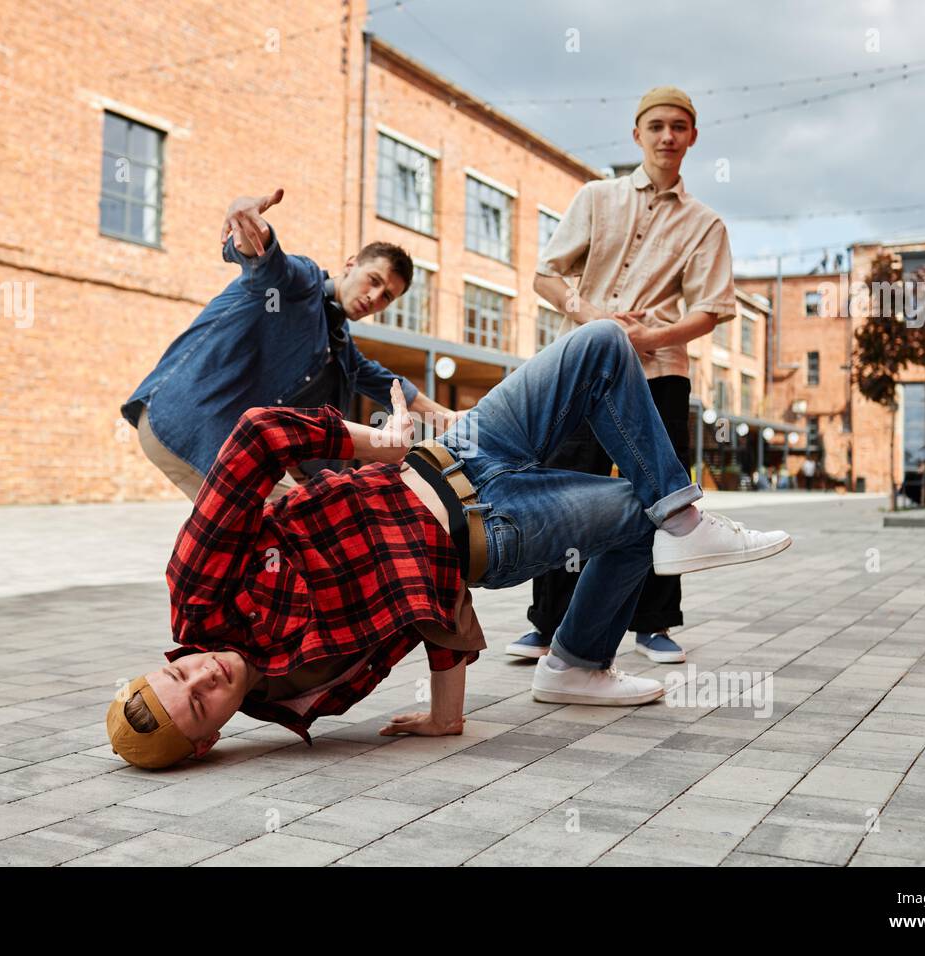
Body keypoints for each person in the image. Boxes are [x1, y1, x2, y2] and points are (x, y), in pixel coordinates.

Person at [106, 319, 791, 770]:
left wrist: (376, 443)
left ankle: (685, 521)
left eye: (177, 674)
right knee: (634, 514)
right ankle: (578, 660)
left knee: (602, 343)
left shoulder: (198, 590)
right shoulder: (306, 695)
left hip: (450, 451)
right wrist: (446, 716)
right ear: (209, 740)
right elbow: (427, 603)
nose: (202, 677)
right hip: (490, 531)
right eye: (197, 701)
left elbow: (258, 435)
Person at [509, 85, 737, 668]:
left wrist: (647, 339)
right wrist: (597, 324)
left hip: (660, 373)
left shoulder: (707, 225)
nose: (667, 136)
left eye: (679, 127)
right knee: (564, 488)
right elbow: (547, 276)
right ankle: (547, 622)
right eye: (656, 125)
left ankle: (655, 622)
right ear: (637, 134)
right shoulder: (595, 197)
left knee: (661, 493)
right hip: (582, 370)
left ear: (692, 137)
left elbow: (709, 310)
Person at [120, 187, 458, 501]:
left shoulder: (338, 343)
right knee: (299, 527)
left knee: (301, 524)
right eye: (374, 281)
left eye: (386, 296)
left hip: (223, 443)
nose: (374, 297)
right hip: (191, 422)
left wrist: (447, 418)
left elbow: (385, 383)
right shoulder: (301, 284)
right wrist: (250, 227)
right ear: (351, 264)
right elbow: (267, 263)